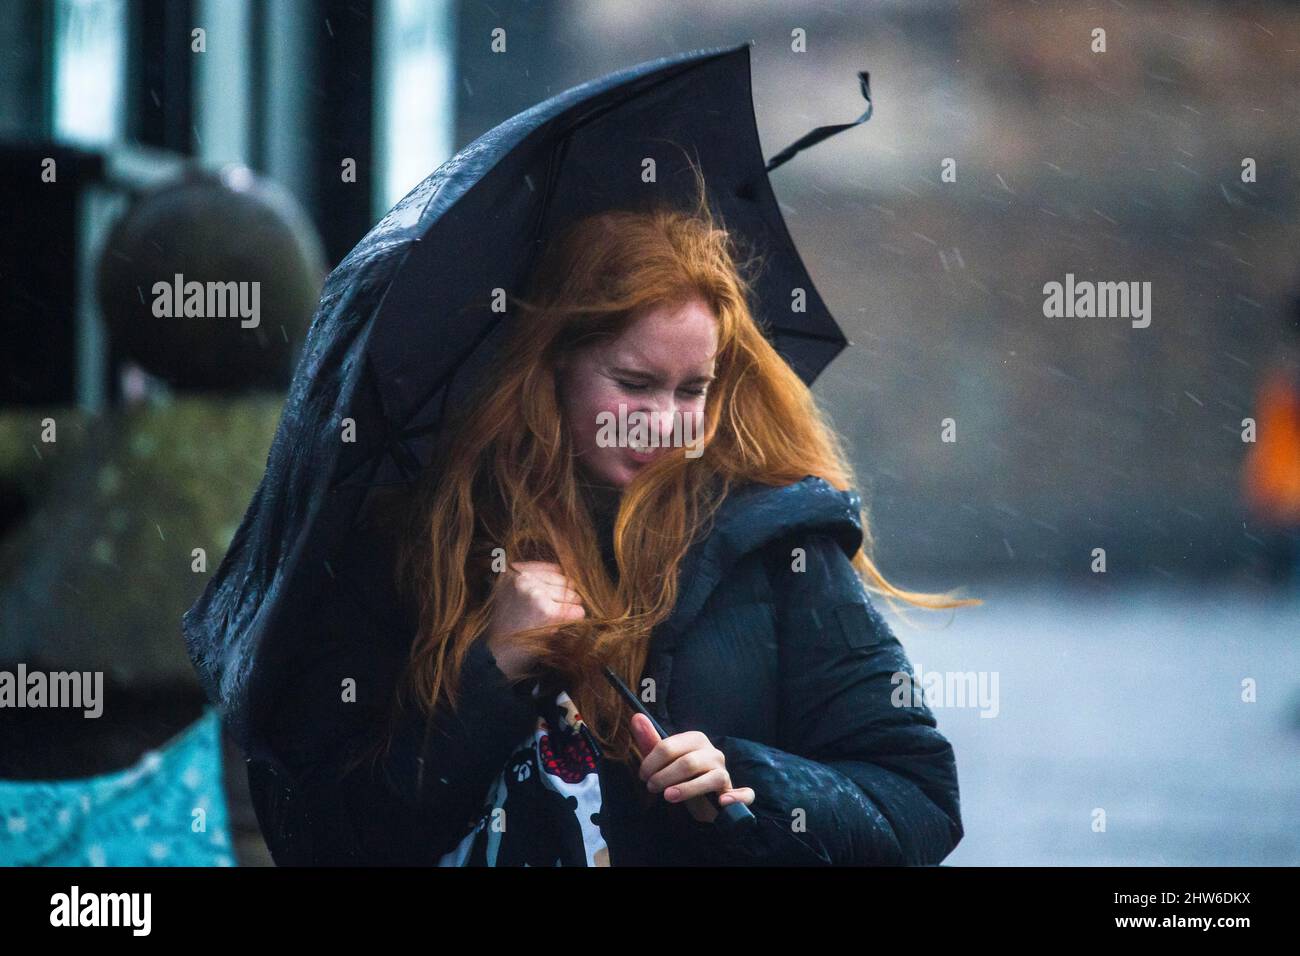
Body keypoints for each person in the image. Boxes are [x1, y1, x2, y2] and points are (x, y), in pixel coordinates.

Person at [249, 170, 978, 866]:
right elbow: (327, 839)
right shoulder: (417, 544)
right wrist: (494, 669)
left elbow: (918, 799)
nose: (664, 425)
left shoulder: (776, 543)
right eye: (635, 384)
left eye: (693, 390)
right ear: (552, 363)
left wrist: (750, 780)